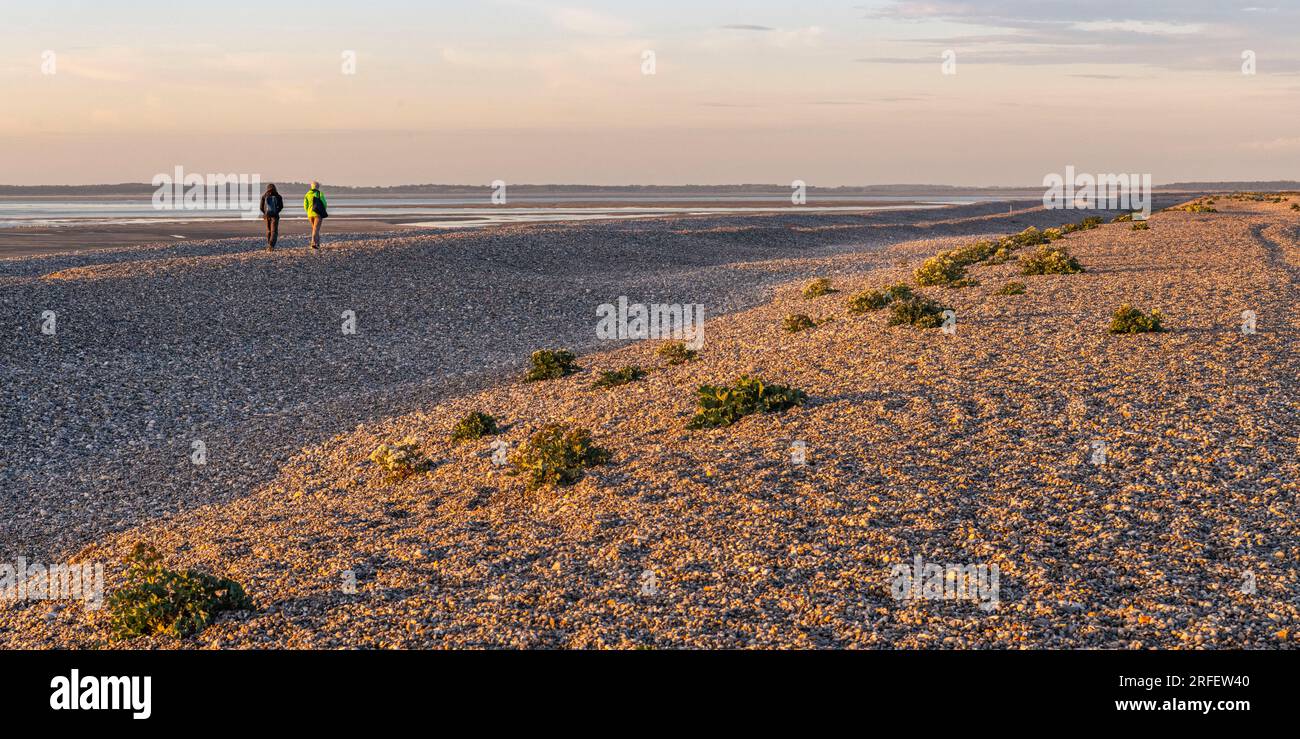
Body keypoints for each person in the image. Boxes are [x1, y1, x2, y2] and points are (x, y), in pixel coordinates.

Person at [303, 181, 328, 249]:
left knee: (315, 229)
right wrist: (323, 210)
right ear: (318, 187)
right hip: (318, 214)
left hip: (310, 215)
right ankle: (313, 243)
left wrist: (308, 212)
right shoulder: (319, 193)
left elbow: (305, 205)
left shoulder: (307, 194)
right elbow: (324, 203)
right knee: (316, 229)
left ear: (311, 186)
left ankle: (318, 244)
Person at [259, 184, 284, 250]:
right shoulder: (278, 196)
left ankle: (269, 244)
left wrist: (265, 213)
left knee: (269, 231)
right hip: (275, 216)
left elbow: (261, 207)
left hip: (267, 216)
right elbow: (281, 206)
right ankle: (271, 245)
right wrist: (276, 211)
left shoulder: (264, 196)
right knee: (274, 231)